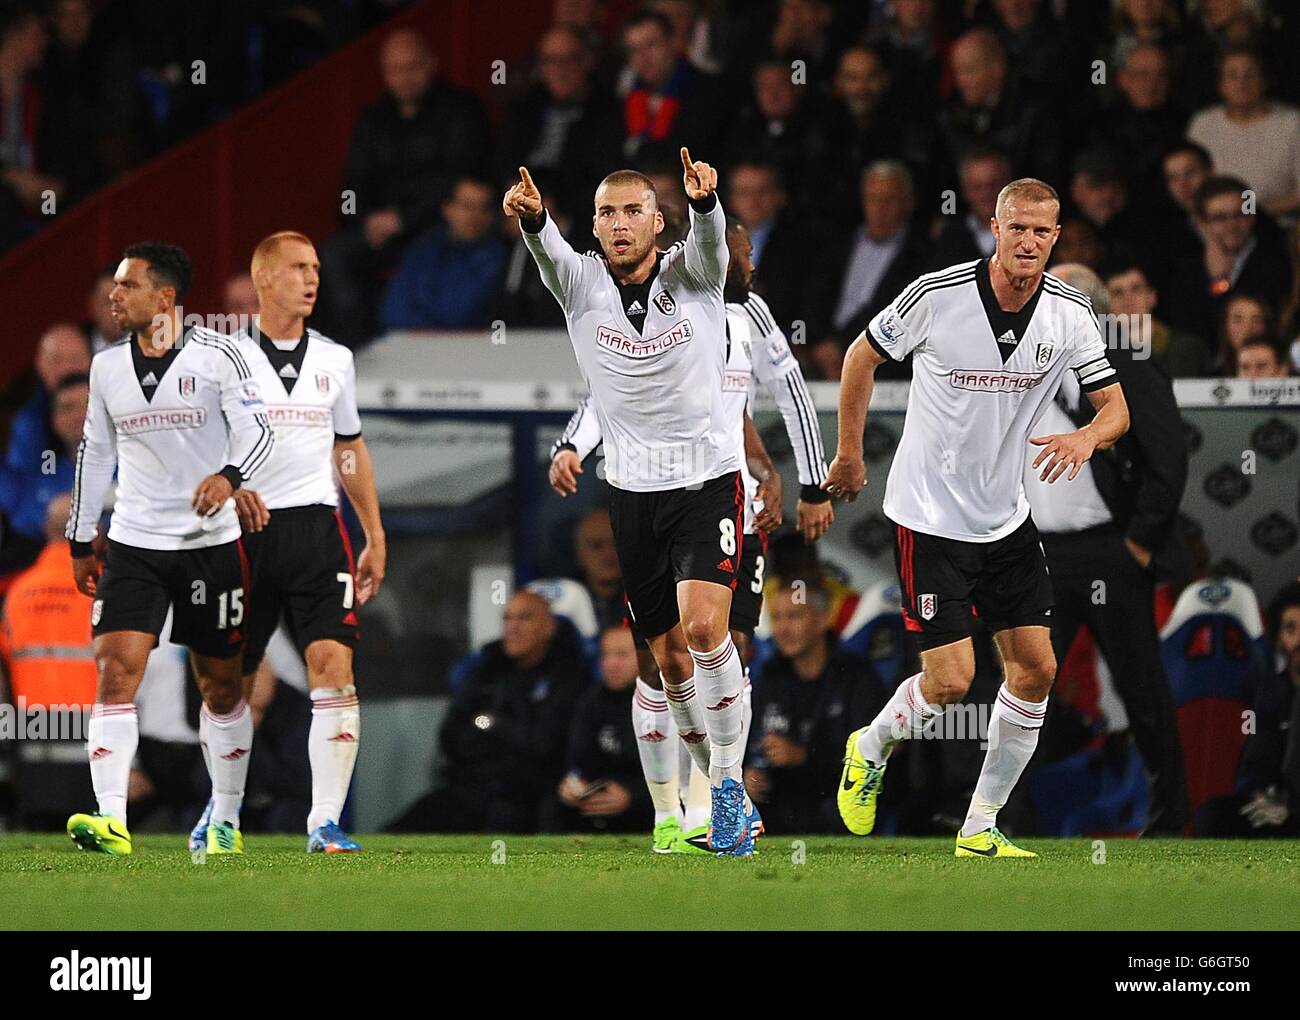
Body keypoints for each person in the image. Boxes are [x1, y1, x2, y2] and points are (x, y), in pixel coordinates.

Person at [823, 178, 1130, 858]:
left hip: (1006, 521)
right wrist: (848, 452)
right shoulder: (938, 295)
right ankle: (869, 747)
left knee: (1036, 671)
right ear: (995, 226)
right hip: (929, 516)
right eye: (1017, 227)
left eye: (1042, 232)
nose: (1028, 241)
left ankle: (981, 825)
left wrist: (1087, 437)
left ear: (1056, 238)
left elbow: (1116, 408)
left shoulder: (1070, 312)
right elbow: (860, 356)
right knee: (952, 681)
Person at [548, 215, 832, 852]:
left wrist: (789, 475)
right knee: (663, 663)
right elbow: (607, 396)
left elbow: (774, 396)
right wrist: (571, 444)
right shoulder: (666, 307)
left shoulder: (752, 317)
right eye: (740, 248)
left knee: (721, 637)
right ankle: (672, 811)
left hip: (723, 498)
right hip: (646, 497)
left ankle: (717, 800)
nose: (749, 260)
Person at [506, 149, 761, 854]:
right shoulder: (580, 284)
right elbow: (548, 249)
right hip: (631, 495)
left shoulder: (696, 274)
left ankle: (729, 788)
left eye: (632, 211)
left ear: (657, 221)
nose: (619, 224)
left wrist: (707, 204)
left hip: (707, 480)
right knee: (669, 666)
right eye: (607, 213)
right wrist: (534, 221)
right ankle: (704, 789)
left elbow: (712, 243)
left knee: (707, 631)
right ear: (593, 224)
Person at [63, 241, 276, 857]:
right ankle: (111, 821)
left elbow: (259, 430)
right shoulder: (105, 367)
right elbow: (94, 454)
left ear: (165, 297)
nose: (113, 294)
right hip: (133, 544)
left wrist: (230, 478)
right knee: (115, 671)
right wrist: (82, 538)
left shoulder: (221, 356)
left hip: (208, 545)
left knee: (220, 688)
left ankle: (226, 818)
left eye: (127, 285)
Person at [184, 230, 384, 854]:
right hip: (240, 534)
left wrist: (373, 531)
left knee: (335, 667)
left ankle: (323, 821)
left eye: (317, 267)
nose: (312, 278)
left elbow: (347, 447)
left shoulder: (336, 359)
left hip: (317, 531)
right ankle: (222, 813)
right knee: (229, 685)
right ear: (264, 278)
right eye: (298, 268)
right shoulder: (217, 360)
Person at [1021, 263, 1190, 834]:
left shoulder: (1130, 367)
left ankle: (1172, 817)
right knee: (1025, 688)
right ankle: (1002, 817)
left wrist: (1139, 544)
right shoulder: (1019, 366)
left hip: (1111, 554)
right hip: (1040, 556)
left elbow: (1168, 461)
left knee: (1141, 688)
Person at [316, 29, 492, 343]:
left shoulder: (461, 109)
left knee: (428, 251)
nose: (405, 78)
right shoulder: (372, 119)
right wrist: (365, 219)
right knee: (332, 254)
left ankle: (415, 347)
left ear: (431, 64)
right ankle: (358, 348)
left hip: (434, 224)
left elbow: (457, 178)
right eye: (396, 70)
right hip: (380, 229)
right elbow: (352, 184)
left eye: (412, 67)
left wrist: (403, 218)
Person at [391, 591, 587, 833]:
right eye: (507, 618)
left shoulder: (567, 674)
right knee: (403, 831)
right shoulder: (486, 668)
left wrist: (491, 723)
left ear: (548, 628)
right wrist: (498, 726)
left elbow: (545, 743)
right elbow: (451, 738)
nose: (512, 627)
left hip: (529, 797)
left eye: (524, 618)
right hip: (470, 787)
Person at [744, 580, 884, 833]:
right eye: (777, 618)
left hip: (836, 808)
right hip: (778, 810)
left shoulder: (857, 677)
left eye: (794, 616)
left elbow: (876, 761)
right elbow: (749, 744)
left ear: (823, 619)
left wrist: (803, 756)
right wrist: (750, 775)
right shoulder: (769, 676)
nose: (783, 629)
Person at [1195, 583, 1300, 837]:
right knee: (1213, 816)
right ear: (1278, 640)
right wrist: (1262, 795)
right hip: (1281, 810)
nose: (1299, 639)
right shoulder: (1273, 693)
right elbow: (1255, 763)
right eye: (1290, 629)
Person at [822, 160, 931, 380]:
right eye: (873, 199)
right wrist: (819, 344)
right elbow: (815, 296)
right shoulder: (838, 245)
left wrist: (846, 349)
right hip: (825, 360)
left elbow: (899, 311)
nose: (880, 209)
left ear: (908, 203)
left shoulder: (921, 254)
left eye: (889, 200)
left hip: (884, 364)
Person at [1165, 175, 1291, 351]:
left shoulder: (1276, 266)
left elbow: (1258, 331)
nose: (1232, 225)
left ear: (1252, 216)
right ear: (1202, 223)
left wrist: (1219, 283)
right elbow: (1191, 338)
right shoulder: (1187, 272)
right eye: (1220, 218)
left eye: (1239, 215)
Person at [550, 624, 654, 833]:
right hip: (597, 803)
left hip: (650, 807)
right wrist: (574, 785)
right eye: (605, 655)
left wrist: (633, 797)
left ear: (647, 658)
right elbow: (576, 758)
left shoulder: (662, 703)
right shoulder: (591, 701)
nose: (611, 664)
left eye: (622, 655)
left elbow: (678, 772)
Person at [0, 493, 95, 709]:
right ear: (93, 532)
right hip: (93, 722)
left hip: (32, 724)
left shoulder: (18, 592)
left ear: (46, 529)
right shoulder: (102, 588)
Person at [1187, 46, 1300, 221]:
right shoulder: (1203, 124)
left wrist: (1248, 213)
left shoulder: (1292, 123)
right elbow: (1189, 184)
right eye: (1232, 75)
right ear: (1221, 85)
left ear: (1264, 80)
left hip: (1278, 226)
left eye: (1250, 74)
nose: (1242, 83)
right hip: (1214, 227)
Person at [379, 176, 506, 330]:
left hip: (466, 348)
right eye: (467, 206)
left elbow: (457, 316)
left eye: (484, 209)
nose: (475, 216)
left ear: (492, 216)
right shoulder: (422, 250)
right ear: (447, 208)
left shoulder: (498, 258)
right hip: (411, 344)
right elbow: (394, 312)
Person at [0, 371, 86, 546]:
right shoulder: (49, 463)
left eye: (88, 405)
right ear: (54, 420)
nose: (79, 414)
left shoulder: (132, 466)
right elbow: (23, 517)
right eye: (68, 407)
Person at [1101, 258, 1207, 377]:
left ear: (1152, 297)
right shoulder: (1099, 355)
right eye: (1117, 293)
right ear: (1106, 304)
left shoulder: (1186, 349)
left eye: (1136, 289)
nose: (1128, 300)